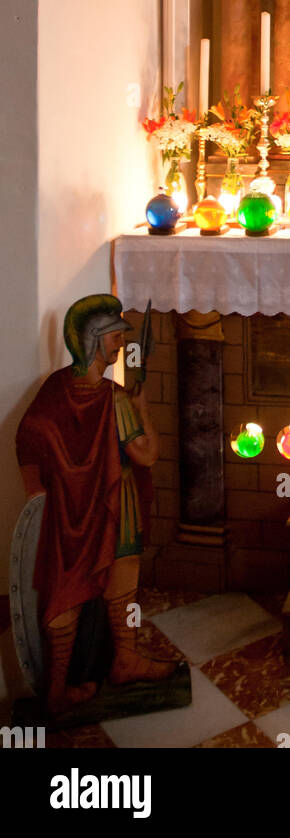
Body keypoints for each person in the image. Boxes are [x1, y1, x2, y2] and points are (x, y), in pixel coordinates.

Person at [16, 294, 175, 716]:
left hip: (66, 513)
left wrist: (38, 491)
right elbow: (146, 455)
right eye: (116, 334)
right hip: (113, 508)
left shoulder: (54, 388)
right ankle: (115, 663)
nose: (123, 341)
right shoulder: (116, 399)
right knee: (121, 588)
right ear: (94, 340)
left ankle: (72, 681)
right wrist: (145, 410)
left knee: (66, 588)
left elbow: (28, 435)